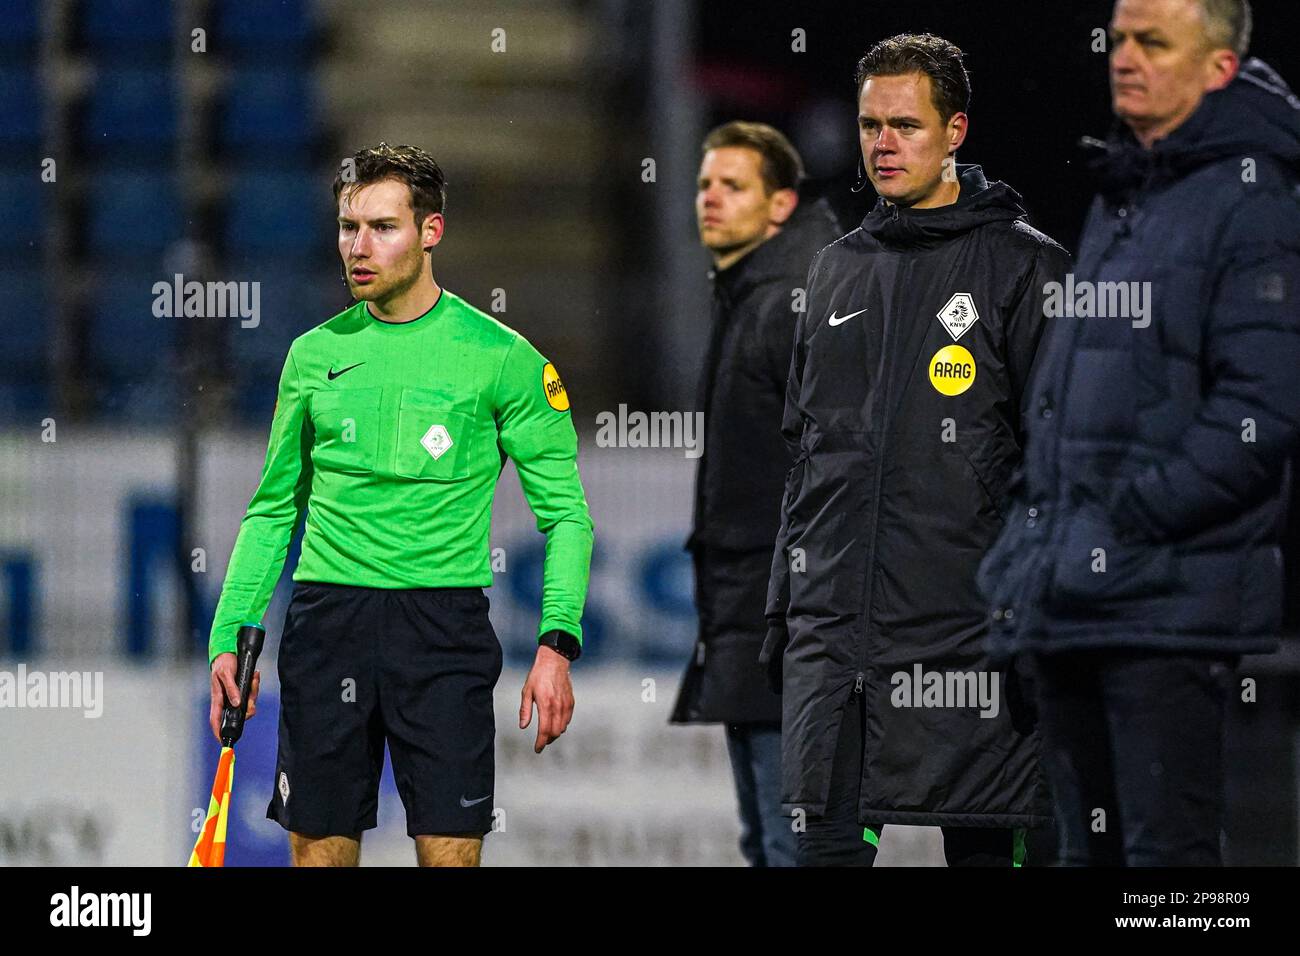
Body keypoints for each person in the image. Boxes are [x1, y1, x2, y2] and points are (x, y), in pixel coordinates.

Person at [206, 143, 594, 867]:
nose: (359, 247)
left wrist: (557, 641)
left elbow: (566, 515)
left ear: (431, 232)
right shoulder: (310, 356)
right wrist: (230, 631)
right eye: (348, 227)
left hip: (442, 632)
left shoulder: (503, 358)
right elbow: (271, 510)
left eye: (382, 227)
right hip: (328, 625)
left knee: (449, 855)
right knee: (318, 855)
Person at [981, 0, 1300, 865]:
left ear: (1218, 69)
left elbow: (1263, 411)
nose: (1123, 57)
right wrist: (1036, 537)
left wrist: (1129, 518)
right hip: (1076, 597)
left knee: (1170, 869)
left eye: (1153, 42)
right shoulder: (1129, 192)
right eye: (1119, 38)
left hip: (1163, 604)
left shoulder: (1252, 201)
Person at [762, 34, 1069, 866]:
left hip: (969, 647)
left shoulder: (1025, 268)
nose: (882, 144)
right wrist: (782, 612)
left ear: (956, 130)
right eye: (869, 125)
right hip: (835, 649)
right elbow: (808, 453)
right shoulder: (833, 271)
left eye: (905, 125)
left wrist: (1036, 620)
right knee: (820, 854)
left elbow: (1059, 467)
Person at [669, 121, 841, 867]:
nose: (709, 198)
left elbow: (839, 464)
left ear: (780, 206)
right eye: (705, 183)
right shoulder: (759, 293)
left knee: (789, 846)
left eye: (732, 185)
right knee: (768, 846)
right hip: (756, 616)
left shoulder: (787, 302)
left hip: (788, 623)